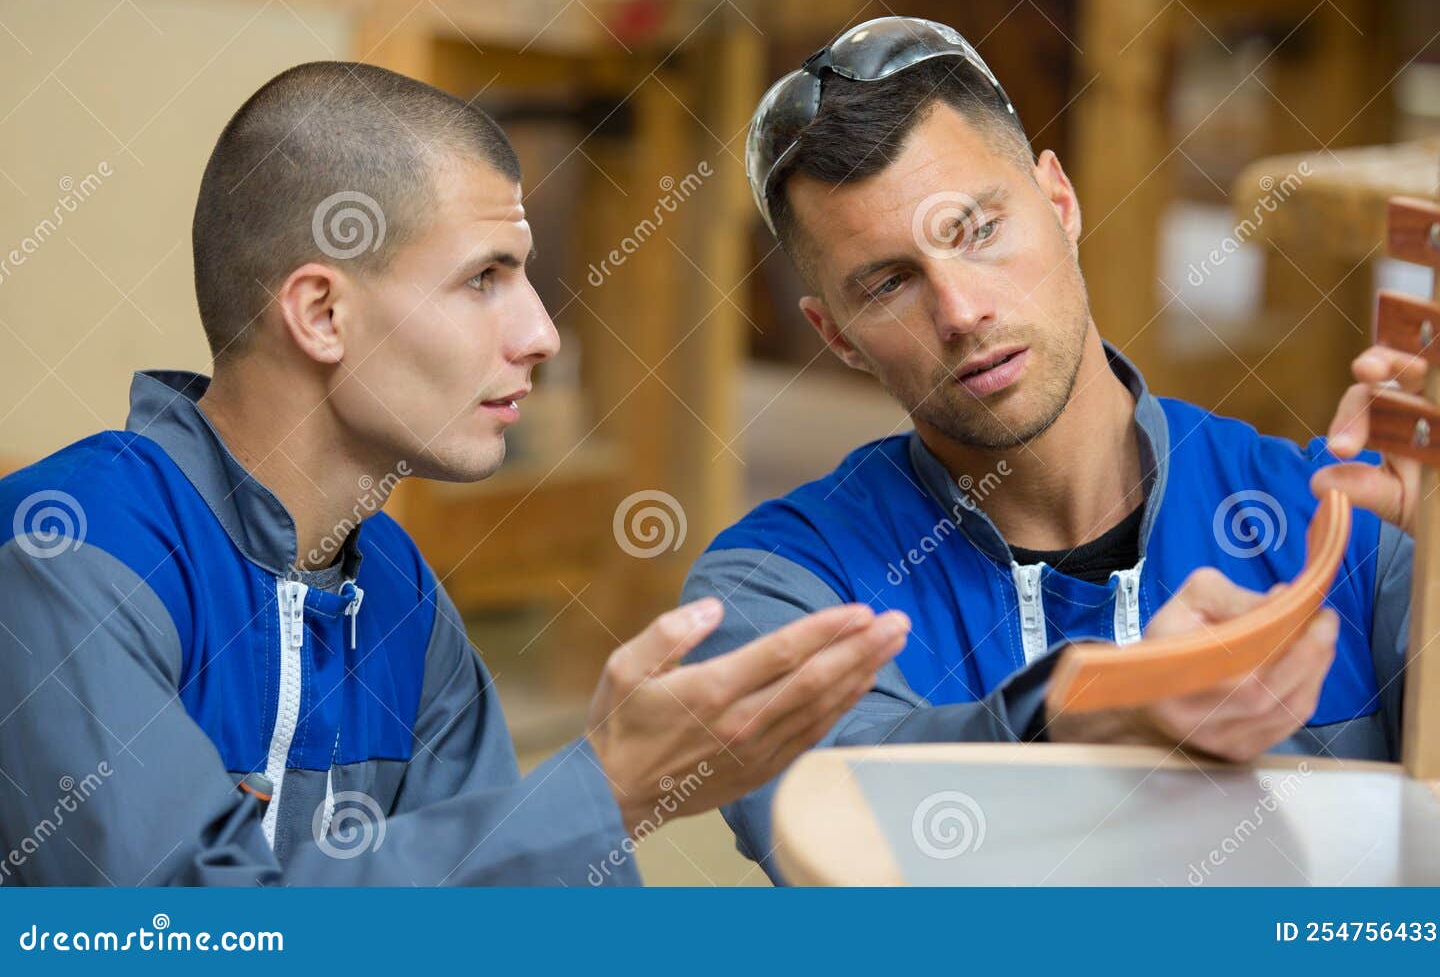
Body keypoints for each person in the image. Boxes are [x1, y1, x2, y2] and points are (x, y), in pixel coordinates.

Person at [0, 62, 909, 886]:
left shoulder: (396, 598)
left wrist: (602, 810)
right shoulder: (67, 554)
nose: (541, 333)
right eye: (485, 278)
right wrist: (605, 788)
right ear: (321, 312)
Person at [681, 17, 1440, 879]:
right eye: (890, 282)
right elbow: (837, 825)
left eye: (977, 230)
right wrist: (1085, 716)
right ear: (836, 335)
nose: (962, 311)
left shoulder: (1346, 524)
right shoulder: (770, 590)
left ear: (1060, 203)